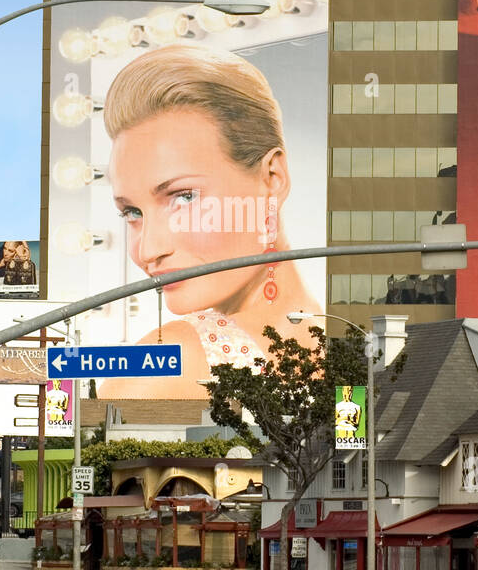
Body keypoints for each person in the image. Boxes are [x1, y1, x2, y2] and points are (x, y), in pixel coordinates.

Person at [99, 45, 321, 399]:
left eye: (183, 197)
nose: (149, 251)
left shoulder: (166, 366)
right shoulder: (353, 348)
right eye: (133, 213)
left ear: (272, 178)